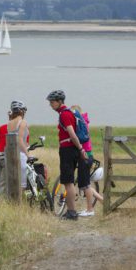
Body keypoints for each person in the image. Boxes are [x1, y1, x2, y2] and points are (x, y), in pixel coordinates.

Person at [46, 89, 89, 221]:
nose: (50, 105)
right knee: (68, 181)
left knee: (68, 182)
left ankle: (71, 212)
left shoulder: (64, 115)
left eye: (52, 102)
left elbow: (72, 133)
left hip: (68, 149)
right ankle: (71, 210)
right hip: (72, 149)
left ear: (59, 102)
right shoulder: (68, 113)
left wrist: (81, 149)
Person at [71, 104, 103, 216]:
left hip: (84, 155)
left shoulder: (78, 124)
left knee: (86, 185)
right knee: (85, 183)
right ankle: (102, 201)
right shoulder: (84, 122)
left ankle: (90, 210)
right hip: (89, 155)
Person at [7, 100, 31, 190]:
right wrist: (28, 155)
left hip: (10, 154)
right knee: (22, 185)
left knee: (13, 182)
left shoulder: (9, 123)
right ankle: (20, 203)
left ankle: (13, 203)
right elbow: (20, 140)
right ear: (21, 111)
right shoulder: (22, 122)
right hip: (21, 154)